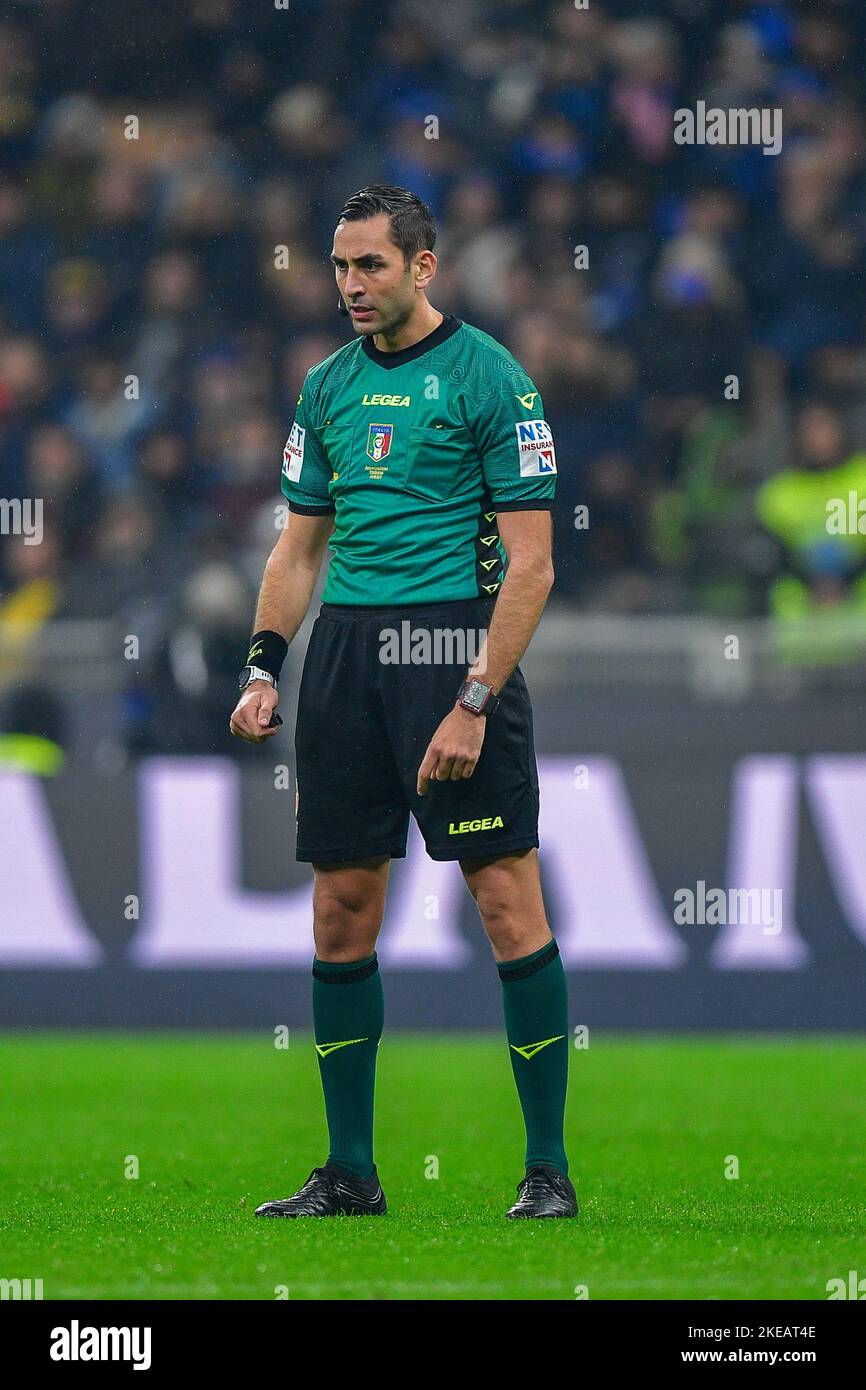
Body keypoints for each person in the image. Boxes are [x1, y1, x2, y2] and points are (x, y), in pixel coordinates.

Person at [229, 185, 575, 1220]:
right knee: (340, 912)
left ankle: (545, 1167)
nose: (349, 285)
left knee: (504, 900)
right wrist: (261, 664)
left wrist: (474, 697)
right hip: (343, 659)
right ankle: (349, 1172)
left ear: (423, 267)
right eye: (338, 266)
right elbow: (298, 547)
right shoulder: (324, 385)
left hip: (453, 650)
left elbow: (533, 565)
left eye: (369, 265)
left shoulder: (491, 379)